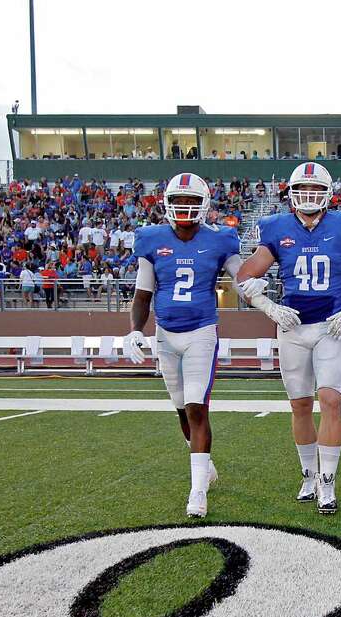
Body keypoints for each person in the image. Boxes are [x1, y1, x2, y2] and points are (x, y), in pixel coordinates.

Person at [236, 162, 341, 515]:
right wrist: (267, 305)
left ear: (327, 194)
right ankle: (308, 474)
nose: (308, 196)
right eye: (302, 189)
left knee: (331, 400)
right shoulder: (276, 227)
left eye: (315, 189)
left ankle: (328, 481)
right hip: (291, 326)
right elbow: (245, 277)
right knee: (301, 404)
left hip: (330, 327)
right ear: (290, 193)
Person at [123, 173, 243, 518]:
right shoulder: (151, 238)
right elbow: (143, 293)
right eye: (180, 201)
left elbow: (242, 276)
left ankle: (197, 490)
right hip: (165, 334)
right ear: (168, 203)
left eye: (192, 201)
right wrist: (134, 330)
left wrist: (258, 290)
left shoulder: (219, 240)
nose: (185, 207)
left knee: (196, 407)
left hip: (201, 332)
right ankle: (205, 465)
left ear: (204, 204)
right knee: (180, 409)